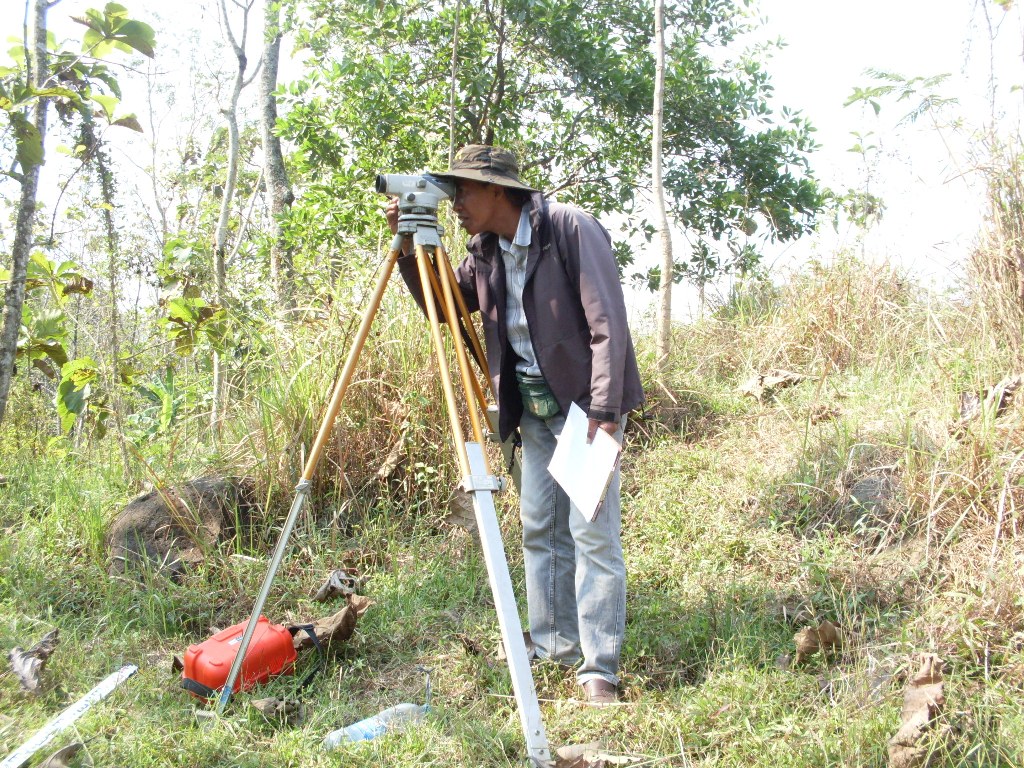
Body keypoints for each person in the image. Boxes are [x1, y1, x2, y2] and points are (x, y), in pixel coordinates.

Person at [385, 144, 644, 705]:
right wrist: (409, 254)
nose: (455, 204)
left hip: (582, 410)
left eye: (464, 191)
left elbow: (607, 326)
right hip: (531, 411)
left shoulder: (570, 228)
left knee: (591, 535)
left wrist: (603, 411)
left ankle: (600, 668)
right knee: (539, 530)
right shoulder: (486, 247)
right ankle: (554, 643)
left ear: (498, 189)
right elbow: (447, 309)